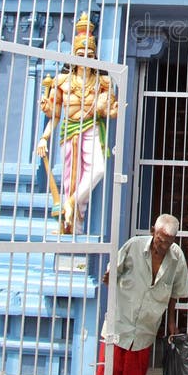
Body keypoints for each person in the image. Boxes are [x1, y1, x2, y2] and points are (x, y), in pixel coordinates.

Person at [94, 214, 188, 375]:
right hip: (120, 323)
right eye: (160, 239)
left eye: (169, 241)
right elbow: (112, 272)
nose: (163, 245)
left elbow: (176, 292)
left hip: (146, 325)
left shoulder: (177, 258)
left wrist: (172, 323)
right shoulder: (134, 247)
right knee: (109, 373)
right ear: (152, 232)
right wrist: (109, 277)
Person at [37, 14, 118, 235]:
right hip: (69, 128)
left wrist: (113, 109)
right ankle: (73, 226)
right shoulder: (63, 81)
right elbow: (54, 113)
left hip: (92, 128)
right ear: (74, 55)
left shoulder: (103, 81)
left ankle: (71, 202)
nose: (84, 58)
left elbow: (111, 110)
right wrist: (44, 137)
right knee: (70, 177)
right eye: (80, 54)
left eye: (89, 54)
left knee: (98, 169)